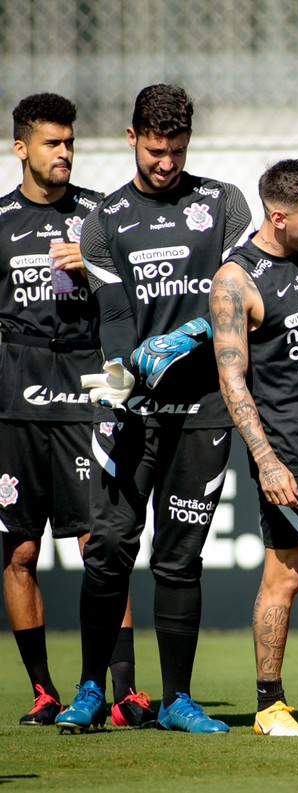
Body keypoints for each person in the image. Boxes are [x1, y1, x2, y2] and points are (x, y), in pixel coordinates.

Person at [55, 84, 251, 734]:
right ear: (133, 138)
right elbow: (113, 321)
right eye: (155, 150)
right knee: (109, 546)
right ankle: (90, 688)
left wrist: (194, 332)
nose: (166, 164)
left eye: (177, 151)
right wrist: (119, 387)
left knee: (179, 556)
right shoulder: (106, 219)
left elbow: (239, 294)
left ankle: (178, 699)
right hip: (134, 410)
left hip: (202, 411)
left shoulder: (221, 203)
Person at [0, 93, 145, 728]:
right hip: (16, 393)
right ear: (21, 148)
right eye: (52, 143)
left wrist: (95, 269)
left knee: (102, 542)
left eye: (70, 143)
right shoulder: (0, 220)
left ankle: (124, 691)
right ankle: (42, 689)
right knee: (20, 552)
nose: (64, 153)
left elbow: (142, 297)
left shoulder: (99, 216)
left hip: (92, 383)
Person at [208, 159, 298, 736]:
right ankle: (269, 703)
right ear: (278, 216)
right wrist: (266, 461)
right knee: (287, 576)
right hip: (290, 454)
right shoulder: (236, 280)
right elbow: (232, 379)